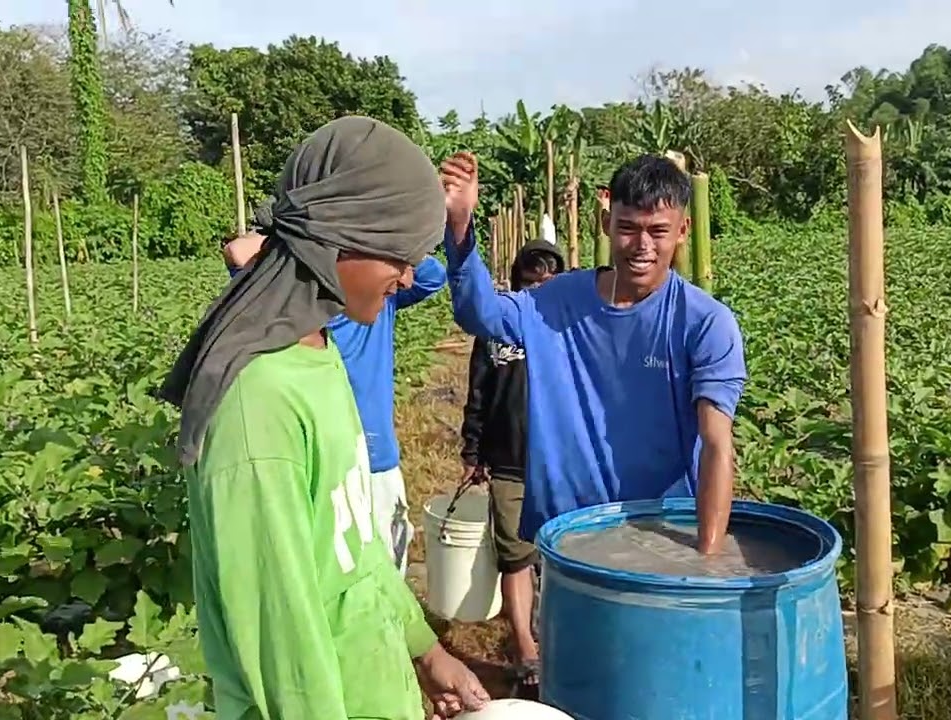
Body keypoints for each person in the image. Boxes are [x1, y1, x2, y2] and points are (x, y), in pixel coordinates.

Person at [158, 117, 488, 720]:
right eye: (399, 255)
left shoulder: (319, 351)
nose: (409, 277)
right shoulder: (258, 404)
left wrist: (423, 649)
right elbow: (281, 635)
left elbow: (356, 547)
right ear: (338, 241)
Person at [438, 152, 746, 554]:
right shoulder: (554, 303)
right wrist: (460, 228)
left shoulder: (704, 323)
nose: (642, 246)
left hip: (662, 538)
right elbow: (480, 313)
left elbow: (717, 444)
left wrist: (707, 557)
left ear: (683, 230)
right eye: (628, 228)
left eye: (658, 231)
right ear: (605, 224)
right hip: (569, 537)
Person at [223, 212, 448, 573]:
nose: (402, 279)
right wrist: (311, 242)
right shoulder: (296, 306)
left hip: (376, 457)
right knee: (339, 567)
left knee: (388, 566)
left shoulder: (380, 298)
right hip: (327, 462)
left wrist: (382, 235)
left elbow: (433, 276)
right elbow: (238, 250)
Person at [458, 238, 564, 691]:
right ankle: (524, 644)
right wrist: (472, 452)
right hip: (507, 461)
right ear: (517, 285)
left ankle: (561, 641)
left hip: (560, 464)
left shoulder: (569, 329)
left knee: (562, 557)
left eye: (548, 282)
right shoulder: (495, 331)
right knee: (515, 556)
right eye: (530, 281)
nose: (538, 289)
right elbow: (478, 394)